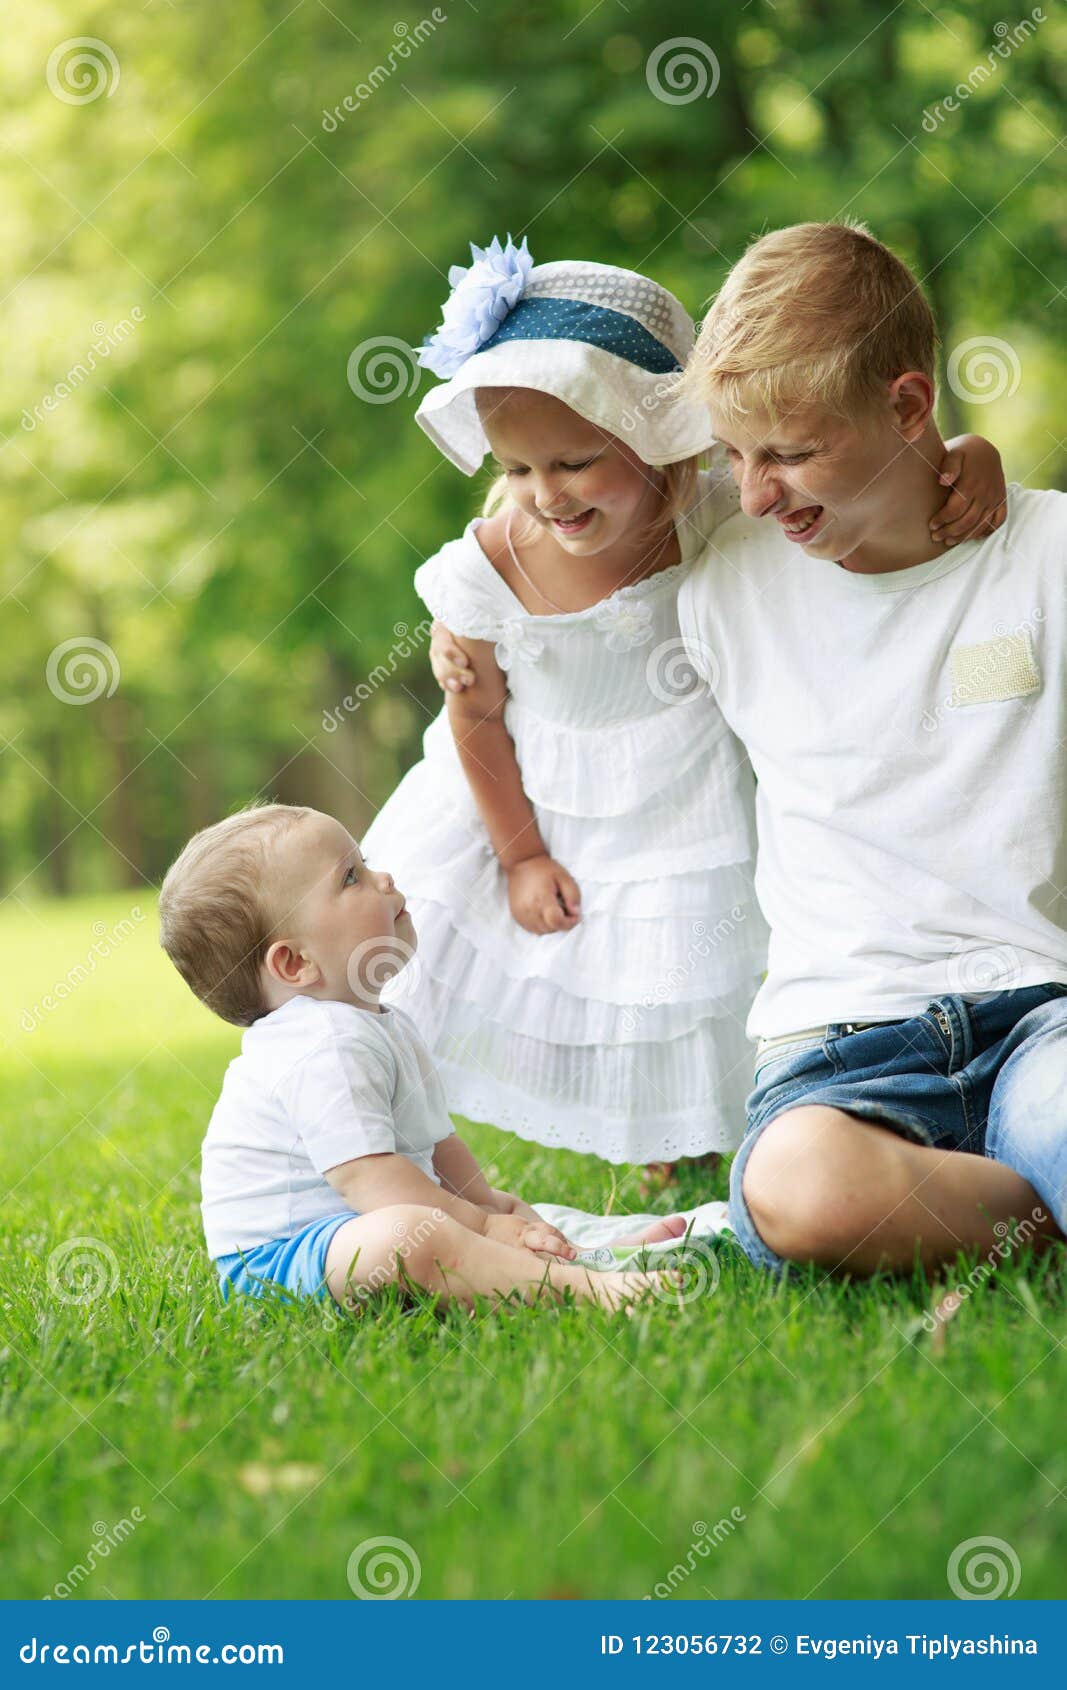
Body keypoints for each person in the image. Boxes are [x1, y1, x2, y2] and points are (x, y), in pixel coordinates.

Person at [367, 236, 1004, 1183]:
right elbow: (476, 720)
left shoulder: (720, 511)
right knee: (548, 973)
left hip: (687, 787)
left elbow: (860, 485)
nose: (546, 496)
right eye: (516, 470)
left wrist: (970, 454)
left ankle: (706, 1130)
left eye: (576, 462)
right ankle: (401, 1140)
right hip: (543, 788)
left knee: (688, 972)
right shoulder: (488, 570)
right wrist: (520, 853)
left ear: (659, 446)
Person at [675, 219, 1066, 1276]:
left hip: (1038, 1016)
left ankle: (977, 1215)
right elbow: (568, 486)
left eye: (791, 453)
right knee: (801, 1192)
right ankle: (1033, 1219)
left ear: (904, 406)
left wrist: (973, 455)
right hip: (839, 1048)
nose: (756, 494)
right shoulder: (723, 581)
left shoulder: (1045, 554)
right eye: (733, 455)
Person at [158, 801, 679, 1311]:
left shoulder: (383, 1024)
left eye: (364, 861)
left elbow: (438, 1143)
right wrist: (479, 1226)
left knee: (495, 1205)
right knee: (413, 1235)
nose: (383, 878)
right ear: (295, 961)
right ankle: (578, 1290)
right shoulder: (319, 1046)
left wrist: (491, 1211)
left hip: (356, 1231)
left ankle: (580, 1259)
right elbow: (371, 1179)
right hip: (280, 1263)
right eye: (351, 877)